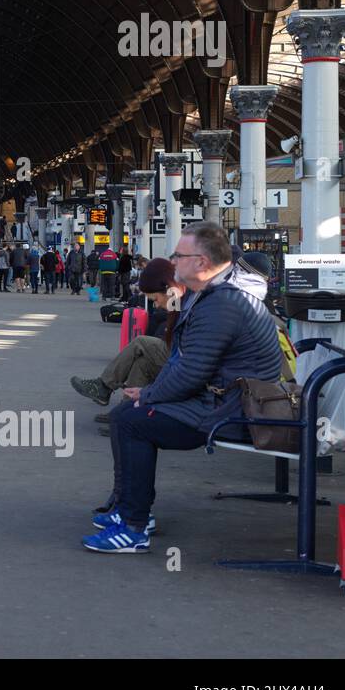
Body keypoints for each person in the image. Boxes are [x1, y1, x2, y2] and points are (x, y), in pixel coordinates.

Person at [81, 222, 283, 554]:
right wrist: (147, 394)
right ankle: (132, 510)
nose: (173, 262)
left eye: (179, 255)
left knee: (132, 422)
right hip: (227, 399)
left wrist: (147, 394)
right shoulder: (215, 294)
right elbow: (184, 362)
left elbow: (191, 371)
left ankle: (133, 528)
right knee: (125, 415)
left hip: (235, 412)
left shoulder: (222, 305)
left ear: (202, 262)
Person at [71, 257, 181, 411]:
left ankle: (104, 386)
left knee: (141, 342)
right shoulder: (176, 294)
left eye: (155, 299)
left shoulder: (177, 296)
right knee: (142, 363)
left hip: (178, 355)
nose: (155, 304)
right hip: (175, 351)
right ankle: (126, 410)